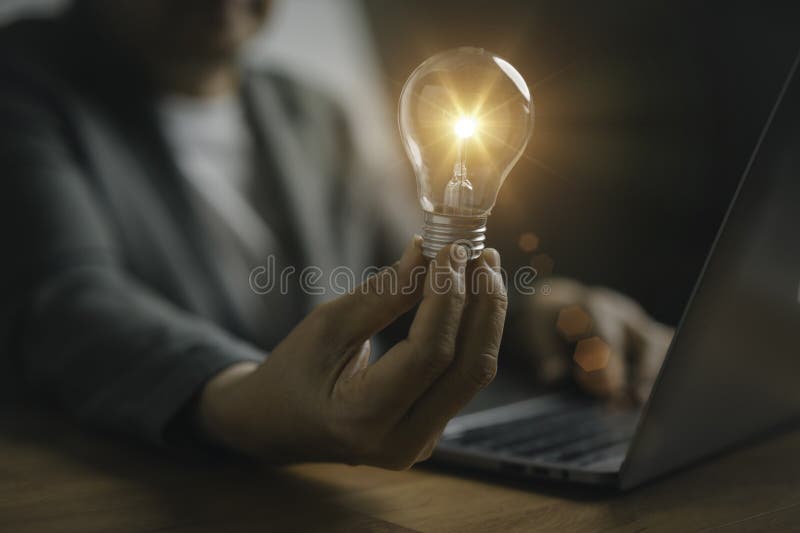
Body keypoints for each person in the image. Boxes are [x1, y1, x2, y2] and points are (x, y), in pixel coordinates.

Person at [0, 0, 671, 468]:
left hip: (326, 488)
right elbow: (65, 300)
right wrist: (239, 395)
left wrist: (543, 311)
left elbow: (408, 265)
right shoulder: (23, 82)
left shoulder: (311, 112)